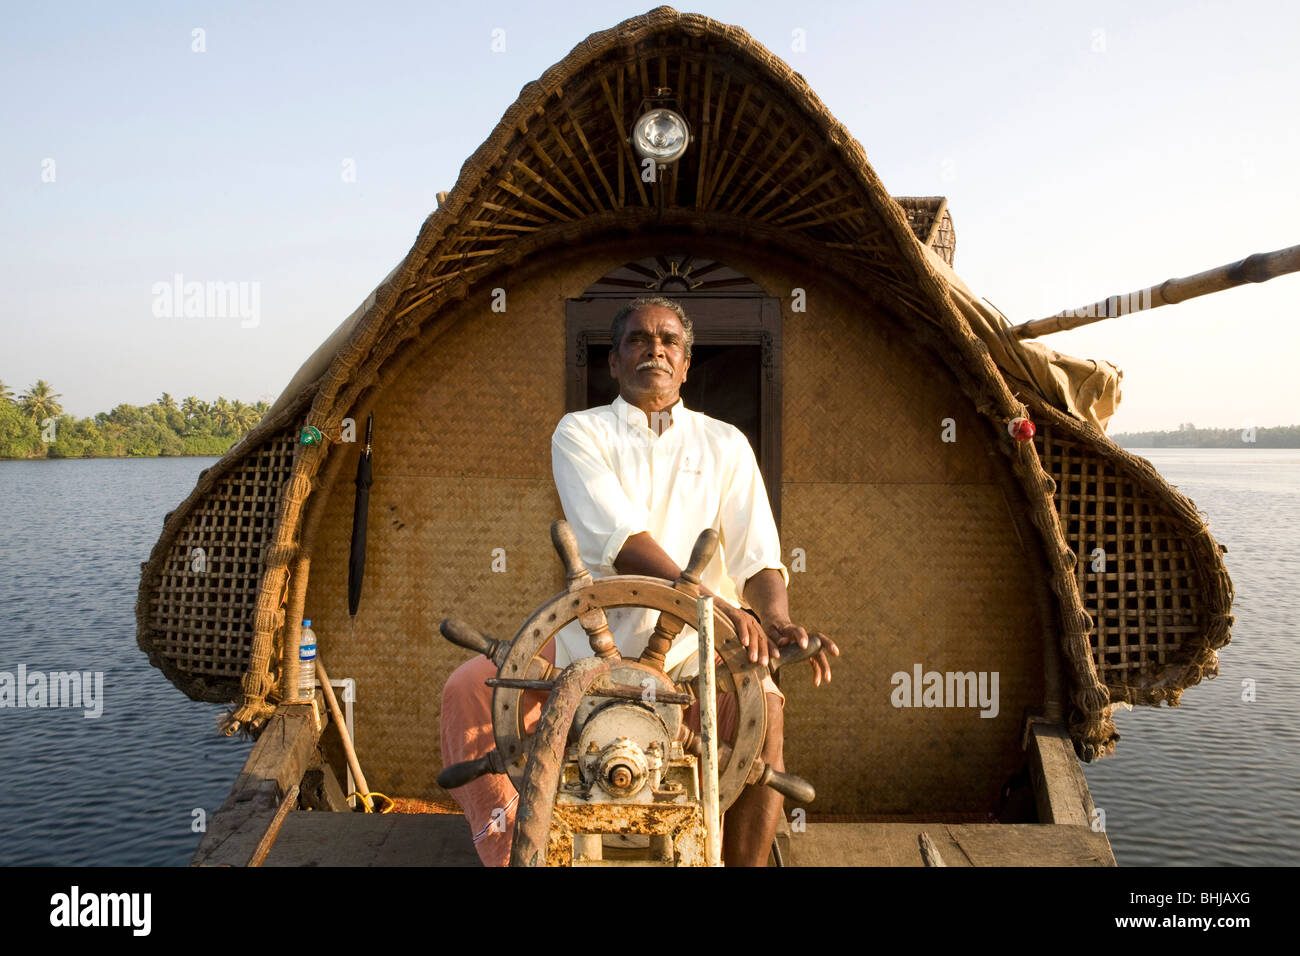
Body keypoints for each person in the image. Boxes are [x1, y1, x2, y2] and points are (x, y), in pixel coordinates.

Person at [440, 297, 838, 866]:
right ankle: (513, 851)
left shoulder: (725, 444)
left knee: (765, 706)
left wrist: (774, 622)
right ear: (613, 362)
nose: (655, 348)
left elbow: (759, 559)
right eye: (638, 339)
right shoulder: (580, 433)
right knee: (467, 690)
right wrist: (718, 606)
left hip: (694, 654)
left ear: (686, 362)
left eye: (669, 341)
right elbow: (621, 541)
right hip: (584, 646)